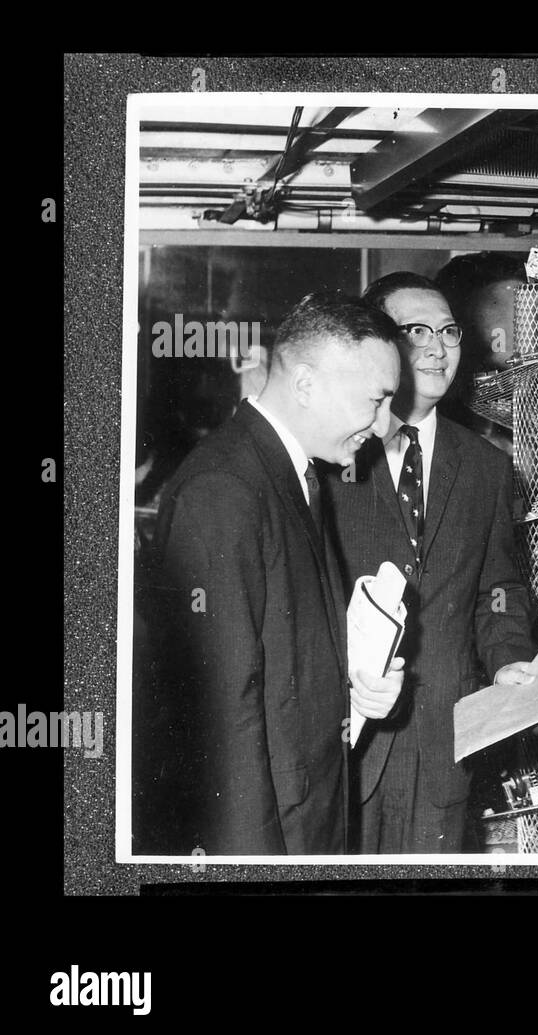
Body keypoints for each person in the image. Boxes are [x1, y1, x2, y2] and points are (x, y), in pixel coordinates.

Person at [136, 294, 407, 855]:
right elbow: (217, 717)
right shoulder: (224, 490)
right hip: (269, 837)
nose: (382, 425)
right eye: (376, 401)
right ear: (305, 384)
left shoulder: (292, 473)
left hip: (307, 813)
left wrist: (357, 689)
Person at [324, 271, 536, 854]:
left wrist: (508, 659)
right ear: (375, 343)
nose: (438, 348)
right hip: (343, 734)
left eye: (449, 332)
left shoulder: (487, 467)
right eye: (416, 330)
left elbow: (500, 586)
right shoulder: (332, 456)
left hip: (446, 734)